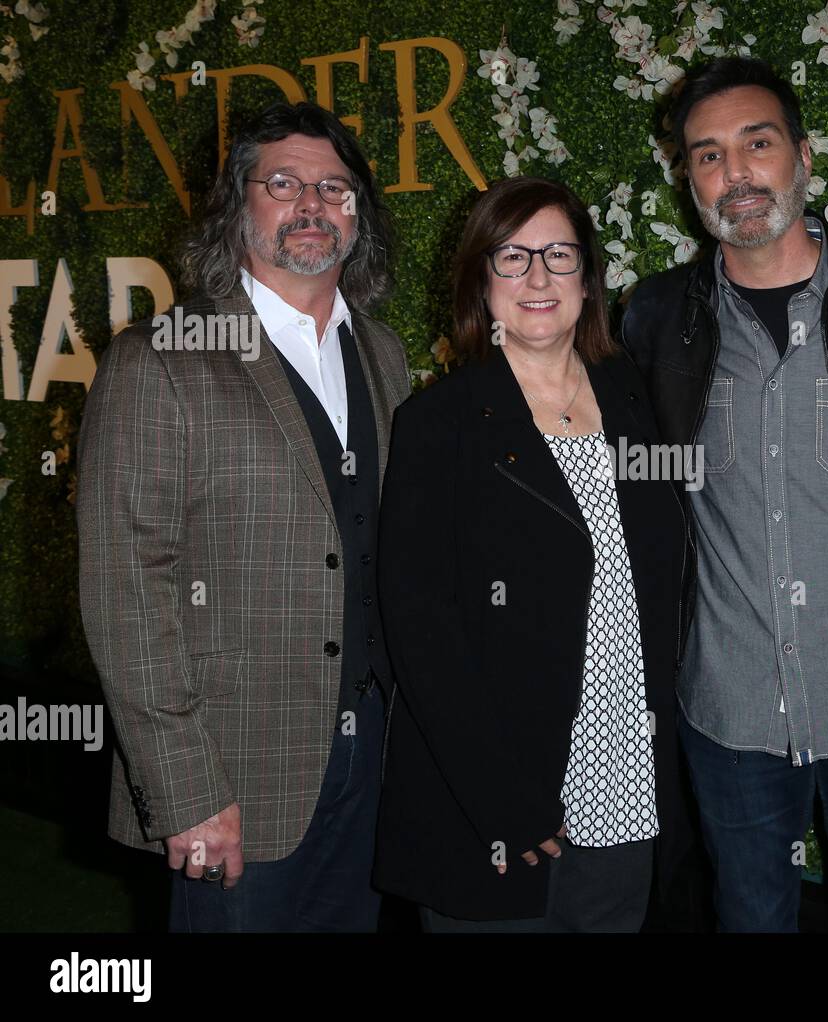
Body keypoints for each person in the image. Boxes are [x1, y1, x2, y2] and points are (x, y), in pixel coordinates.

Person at [620, 56, 828, 932]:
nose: (735, 173)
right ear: (688, 179)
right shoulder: (655, 319)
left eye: (757, 144)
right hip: (729, 710)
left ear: (803, 157)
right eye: (708, 155)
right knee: (750, 917)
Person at [77, 101, 410, 932]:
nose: (312, 204)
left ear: (359, 213)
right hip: (231, 777)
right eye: (284, 183)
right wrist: (186, 792)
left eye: (335, 188)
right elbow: (125, 591)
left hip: (373, 758)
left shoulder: (384, 353)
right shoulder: (157, 358)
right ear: (237, 205)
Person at [373, 176, 688, 932]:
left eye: (559, 255)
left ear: (588, 278)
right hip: (496, 802)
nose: (538, 278)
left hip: (626, 784)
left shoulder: (638, 399)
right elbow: (420, 632)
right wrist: (503, 802)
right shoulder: (437, 424)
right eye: (512, 257)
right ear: (481, 283)